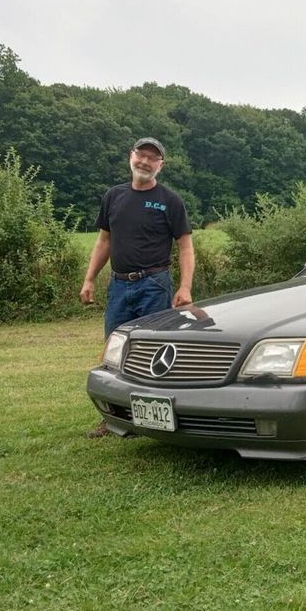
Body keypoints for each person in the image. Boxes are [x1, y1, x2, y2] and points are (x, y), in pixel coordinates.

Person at [80, 136, 195, 438]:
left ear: (161, 165)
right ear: (130, 157)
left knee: (153, 353)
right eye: (140, 155)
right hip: (119, 286)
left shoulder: (170, 201)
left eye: (151, 158)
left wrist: (185, 287)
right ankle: (113, 418)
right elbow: (104, 241)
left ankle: (157, 418)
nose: (144, 162)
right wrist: (90, 278)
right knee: (113, 351)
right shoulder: (113, 197)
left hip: (154, 284)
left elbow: (185, 246)